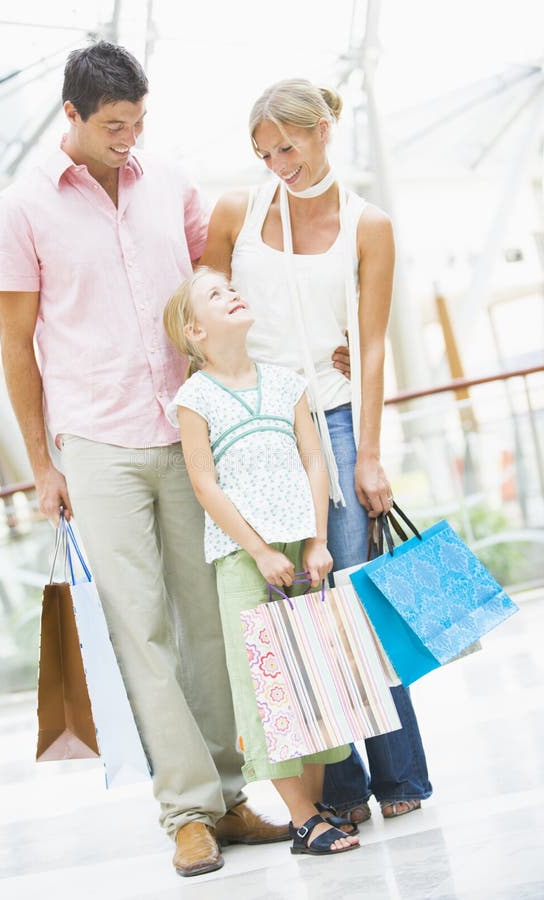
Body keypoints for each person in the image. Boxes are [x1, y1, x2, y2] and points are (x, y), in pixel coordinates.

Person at [0, 41, 290, 878]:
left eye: (140, 122)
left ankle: (231, 795)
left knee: (206, 619)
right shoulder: (21, 210)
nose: (131, 138)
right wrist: (42, 466)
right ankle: (187, 811)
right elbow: (16, 345)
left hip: (187, 428)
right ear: (73, 116)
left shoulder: (170, 181)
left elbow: (212, 281)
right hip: (97, 441)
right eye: (115, 125)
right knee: (142, 628)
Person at [200, 78, 432, 824]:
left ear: (325, 128)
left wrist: (368, 453)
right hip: (259, 428)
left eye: (288, 146)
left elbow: (368, 346)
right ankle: (342, 789)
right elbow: (197, 309)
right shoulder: (237, 211)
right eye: (264, 152)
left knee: (357, 603)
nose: (278, 163)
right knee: (297, 608)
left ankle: (401, 780)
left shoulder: (371, 225)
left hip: (330, 421)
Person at [163, 265, 360, 856]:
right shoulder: (193, 398)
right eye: (215, 294)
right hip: (244, 560)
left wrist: (317, 540)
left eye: (231, 286)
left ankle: (317, 807)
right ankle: (302, 819)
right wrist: (259, 549)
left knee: (314, 680)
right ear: (195, 331)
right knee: (267, 687)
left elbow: (314, 460)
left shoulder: (287, 383)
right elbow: (205, 484)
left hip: (305, 551)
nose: (232, 293)